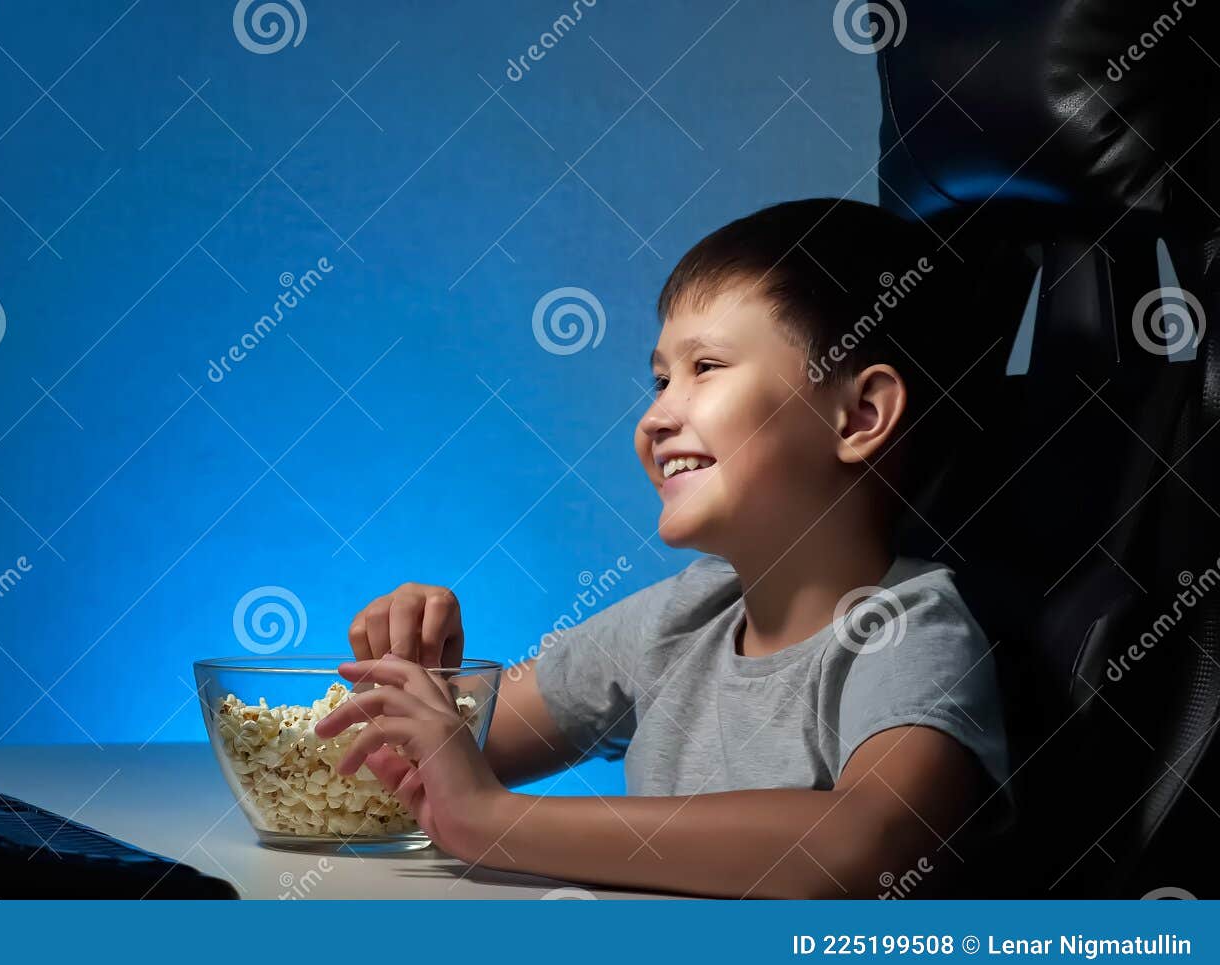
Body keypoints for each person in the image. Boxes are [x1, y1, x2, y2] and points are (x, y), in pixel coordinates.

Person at [318, 198, 1011, 898]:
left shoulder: (909, 630)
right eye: (659, 380)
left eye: (706, 367)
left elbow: (868, 840)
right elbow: (440, 761)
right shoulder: (682, 617)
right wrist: (423, 682)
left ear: (860, 415)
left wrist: (497, 821)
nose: (654, 417)